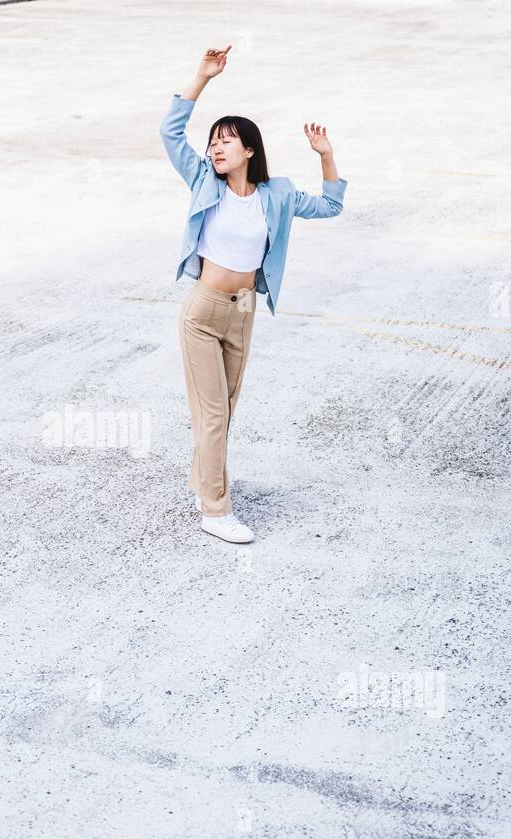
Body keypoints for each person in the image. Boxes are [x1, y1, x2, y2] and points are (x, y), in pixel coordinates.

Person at [161, 43, 348, 543]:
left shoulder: (277, 194)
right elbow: (169, 131)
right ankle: (215, 510)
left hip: (243, 310)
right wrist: (202, 77)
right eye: (214, 142)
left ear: (249, 150)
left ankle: (205, 481)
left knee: (225, 407)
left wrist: (327, 157)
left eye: (228, 141)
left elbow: (331, 206)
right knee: (215, 412)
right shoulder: (204, 181)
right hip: (203, 310)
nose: (217, 149)